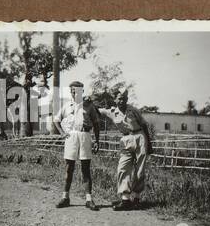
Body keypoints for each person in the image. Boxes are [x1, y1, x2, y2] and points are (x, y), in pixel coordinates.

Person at [98, 94, 154, 210]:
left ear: (127, 99)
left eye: (124, 98)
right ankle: (125, 200)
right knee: (122, 168)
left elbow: (144, 125)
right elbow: (97, 110)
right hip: (126, 139)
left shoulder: (133, 110)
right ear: (114, 99)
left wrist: (149, 144)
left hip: (139, 137)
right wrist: (87, 102)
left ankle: (136, 198)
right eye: (119, 98)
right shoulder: (112, 112)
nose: (121, 100)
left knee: (139, 170)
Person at [53, 81, 101, 210]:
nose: (75, 93)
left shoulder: (89, 106)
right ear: (71, 92)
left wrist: (97, 140)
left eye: (78, 91)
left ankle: (89, 199)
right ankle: (65, 197)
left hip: (85, 136)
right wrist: (62, 133)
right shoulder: (66, 105)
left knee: (86, 168)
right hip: (71, 136)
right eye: (73, 91)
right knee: (69, 168)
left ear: (82, 91)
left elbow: (96, 124)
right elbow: (56, 119)